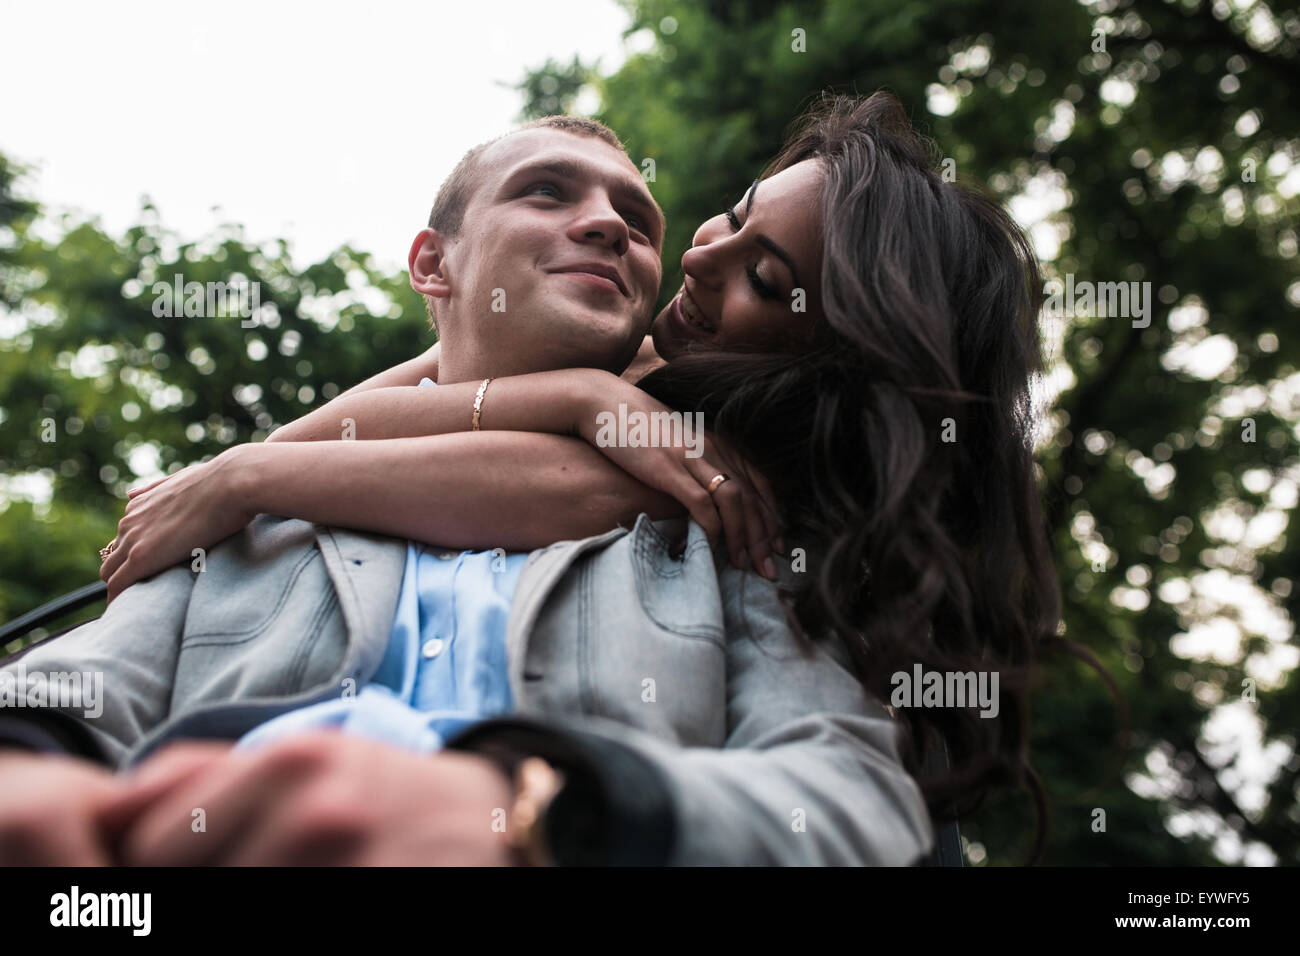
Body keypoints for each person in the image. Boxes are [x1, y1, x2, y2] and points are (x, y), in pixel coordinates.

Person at [0, 105, 939, 866]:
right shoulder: (231, 534)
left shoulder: (725, 515)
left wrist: (551, 812)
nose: (626, 229)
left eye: (636, 221)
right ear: (431, 264)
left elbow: (849, 797)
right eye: (545, 192)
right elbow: (61, 701)